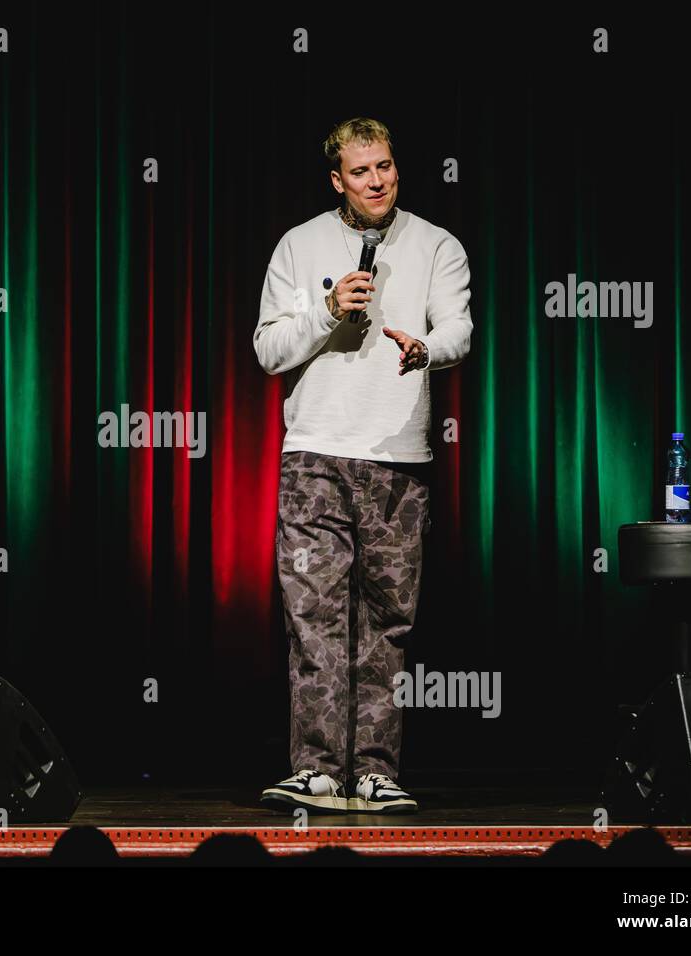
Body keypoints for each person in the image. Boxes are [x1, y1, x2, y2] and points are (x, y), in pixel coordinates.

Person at [253, 117, 473, 814]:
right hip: (314, 452)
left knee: (386, 621)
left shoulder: (437, 244)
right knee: (313, 617)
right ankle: (317, 771)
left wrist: (427, 351)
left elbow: (458, 328)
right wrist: (326, 311)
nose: (377, 180)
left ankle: (375, 771)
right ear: (336, 180)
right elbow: (268, 351)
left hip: (396, 458)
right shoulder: (301, 245)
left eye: (385, 166)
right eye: (361, 171)